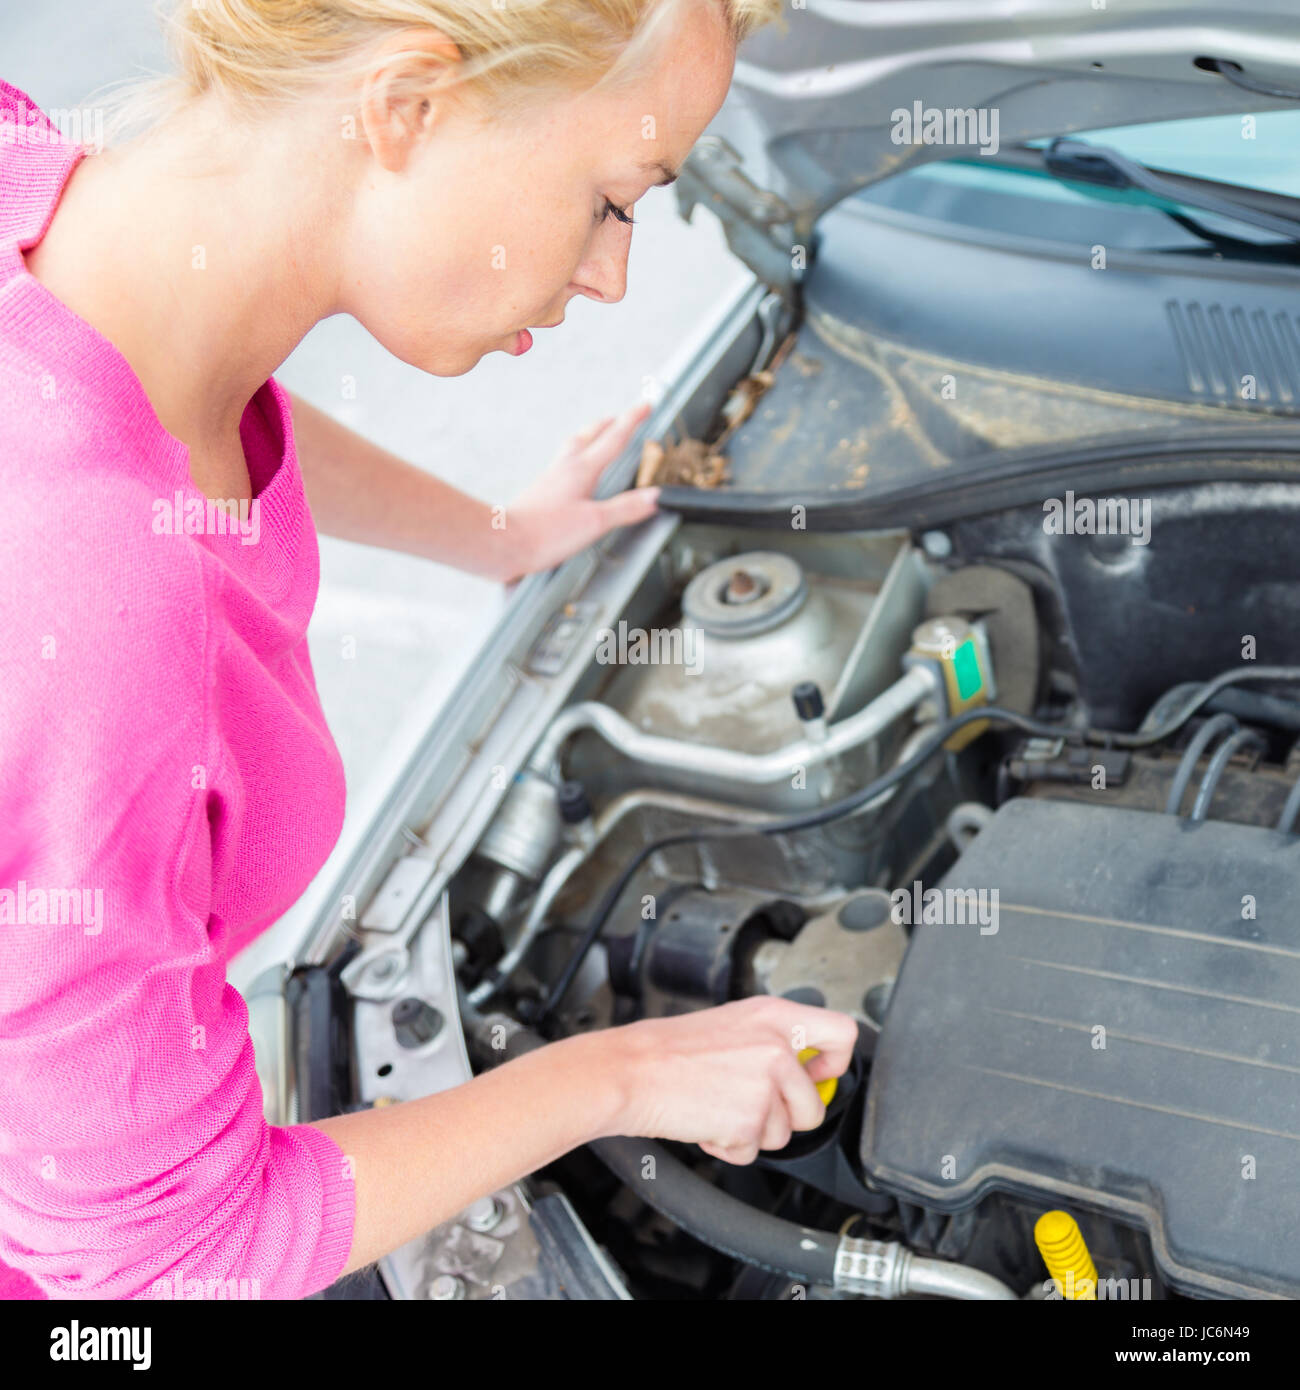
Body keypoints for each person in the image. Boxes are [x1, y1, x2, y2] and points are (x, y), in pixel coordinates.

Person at [0, 0, 857, 1300]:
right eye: (611, 200)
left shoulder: (56, 208)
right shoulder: (90, 606)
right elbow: (168, 1252)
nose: (610, 275)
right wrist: (618, 1074)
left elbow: (191, 380)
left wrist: (491, 533)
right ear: (408, 104)